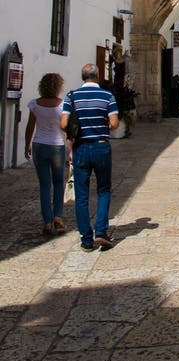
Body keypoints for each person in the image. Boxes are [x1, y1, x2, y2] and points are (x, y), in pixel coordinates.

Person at [61, 64, 119, 252]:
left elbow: (63, 123)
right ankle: (101, 231)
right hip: (101, 146)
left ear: (82, 76)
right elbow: (114, 123)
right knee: (103, 189)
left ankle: (86, 240)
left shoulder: (71, 96)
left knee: (82, 195)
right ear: (98, 76)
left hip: (80, 148)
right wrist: (101, 126)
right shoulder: (107, 96)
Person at [25, 73, 68, 236]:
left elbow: (30, 126)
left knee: (44, 184)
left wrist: (27, 145)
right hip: (57, 146)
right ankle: (57, 216)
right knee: (58, 182)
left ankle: (47, 222)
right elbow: (64, 127)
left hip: (39, 145)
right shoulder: (62, 105)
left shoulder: (35, 104)